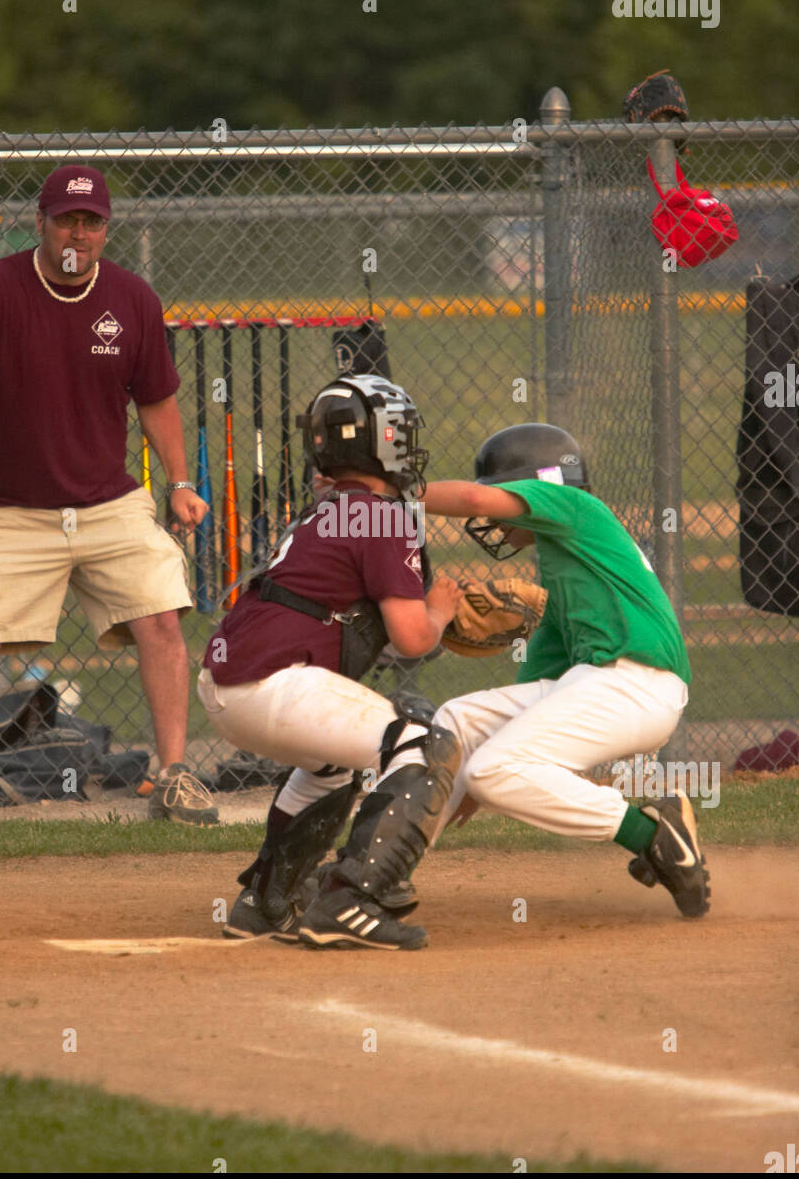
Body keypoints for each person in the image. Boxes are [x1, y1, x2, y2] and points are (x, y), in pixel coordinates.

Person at [0, 166, 216, 824]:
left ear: (106, 230)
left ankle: (173, 774)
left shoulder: (133, 298)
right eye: (65, 219)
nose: (78, 233)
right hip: (5, 507)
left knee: (160, 616)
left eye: (91, 222)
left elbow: (156, 401)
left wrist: (178, 484)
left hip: (106, 502)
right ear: (39, 223)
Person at [197, 373, 463, 950]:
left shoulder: (329, 509)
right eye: (400, 430)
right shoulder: (387, 515)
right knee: (424, 743)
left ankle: (265, 901)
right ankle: (351, 899)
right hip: (272, 685)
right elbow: (411, 639)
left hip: (227, 681)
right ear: (380, 442)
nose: (407, 442)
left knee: (332, 765)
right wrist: (442, 612)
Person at [422, 422, 710, 919]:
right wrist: (465, 782)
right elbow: (538, 681)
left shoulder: (576, 508)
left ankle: (657, 838)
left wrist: (390, 493)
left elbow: (471, 499)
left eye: (508, 491)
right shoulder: (564, 562)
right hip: (605, 683)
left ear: (542, 484)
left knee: (494, 770)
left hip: (638, 684)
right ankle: (379, 868)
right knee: (458, 721)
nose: (497, 508)